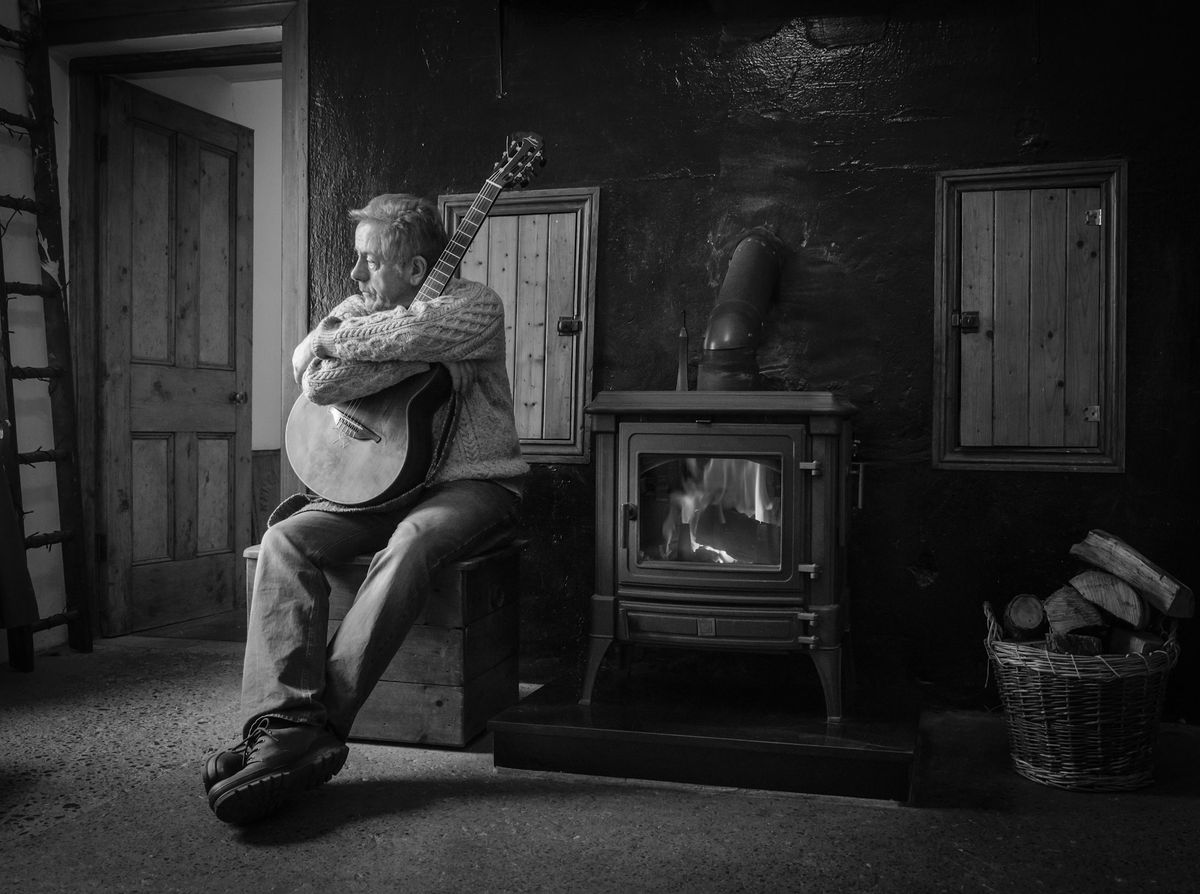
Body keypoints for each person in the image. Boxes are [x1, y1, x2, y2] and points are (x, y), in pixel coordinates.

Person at [202, 193, 528, 825]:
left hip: (475, 485)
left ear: (415, 269)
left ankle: (312, 732)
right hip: (382, 485)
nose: (353, 276)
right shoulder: (359, 305)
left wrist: (342, 345)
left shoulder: (476, 307)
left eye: (369, 261)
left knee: (411, 541)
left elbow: (378, 342)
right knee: (285, 539)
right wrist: (367, 345)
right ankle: (283, 722)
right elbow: (320, 382)